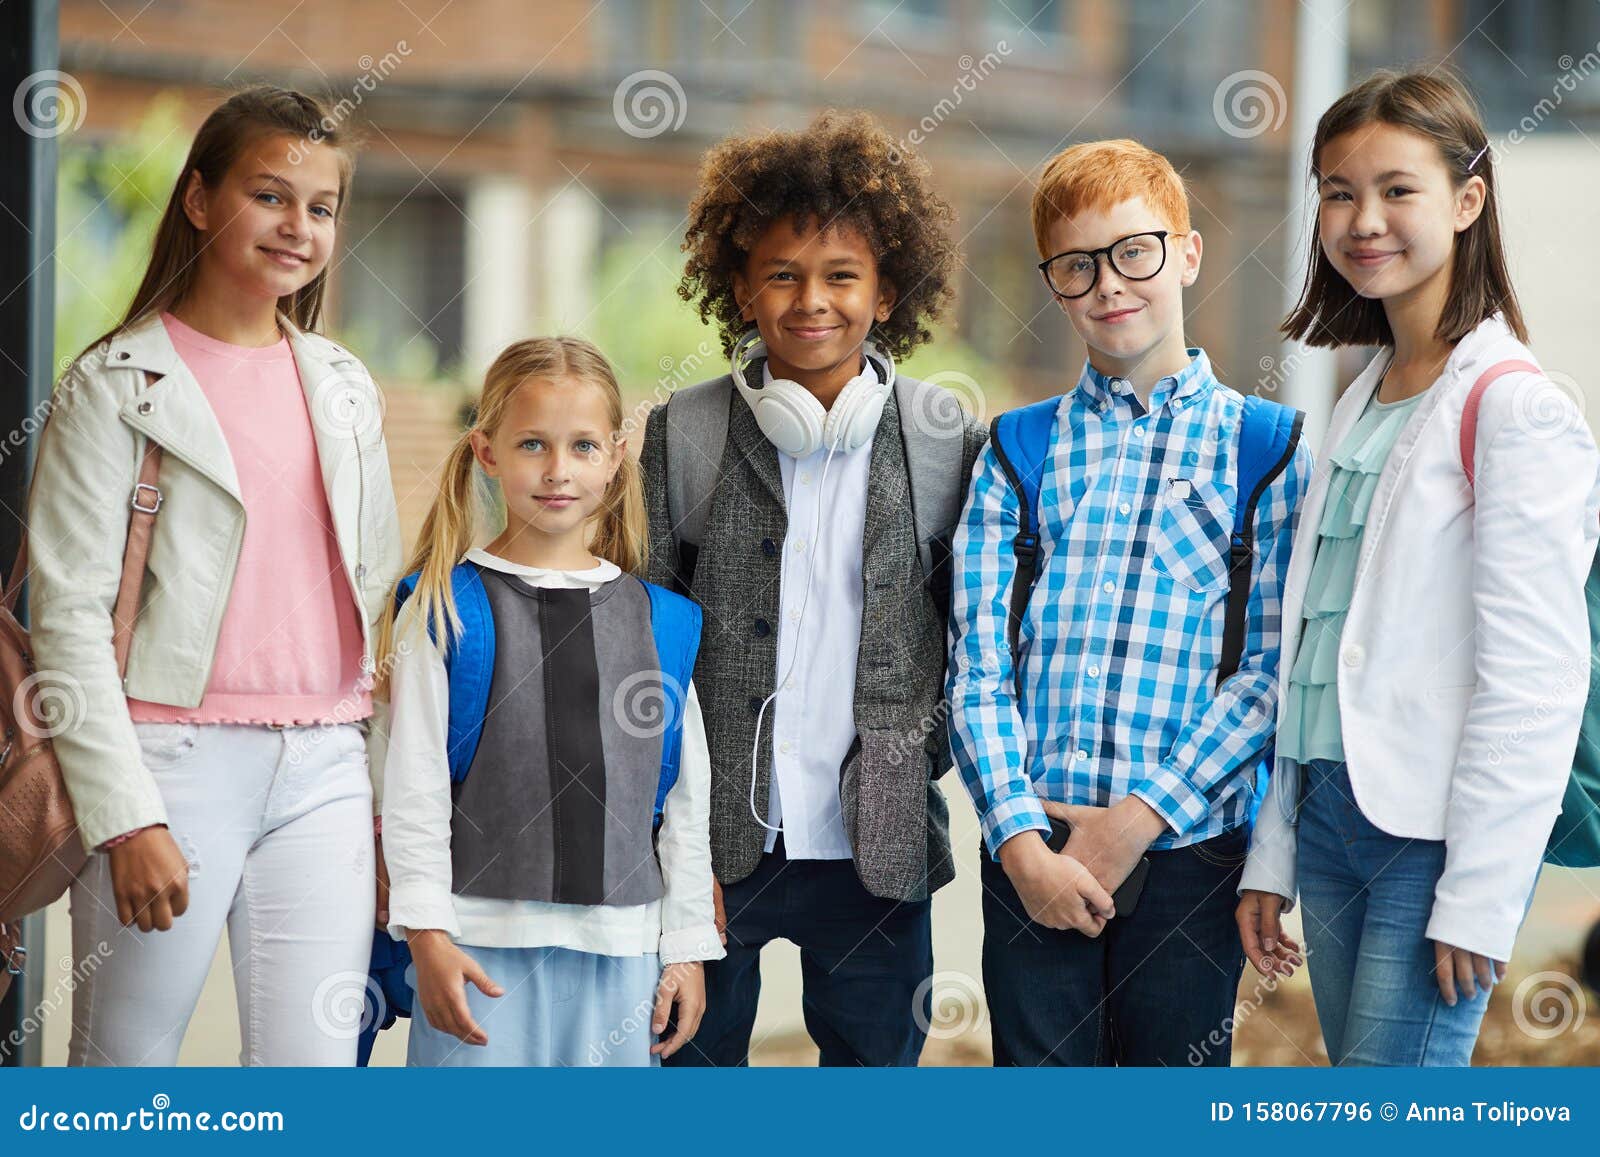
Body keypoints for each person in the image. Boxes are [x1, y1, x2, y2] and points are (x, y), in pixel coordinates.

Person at [27, 86, 402, 1065]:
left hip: (325, 764)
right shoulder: (111, 384)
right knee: (124, 1068)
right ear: (198, 199)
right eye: (270, 196)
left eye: (320, 207)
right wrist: (126, 813)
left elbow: (376, 594)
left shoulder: (345, 382)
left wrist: (385, 800)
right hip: (169, 763)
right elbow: (65, 613)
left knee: (313, 1078)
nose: (299, 226)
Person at [1237, 69, 1600, 1066]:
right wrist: (1273, 849)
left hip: (1431, 839)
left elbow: (1535, 674)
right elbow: (1306, 641)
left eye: (1397, 189)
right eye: (1338, 190)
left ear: (1467, 200)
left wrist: (1480, 896)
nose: (1362, 219)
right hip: (1328, 814)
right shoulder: (1363, 397)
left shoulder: (1515, 406)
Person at [948, 137, 1310, 1066]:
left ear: (1186, 253)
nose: (1110, 284)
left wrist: (1139, 818)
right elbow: (978, 666)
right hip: (1037, 849)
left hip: (1188, 852)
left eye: (1134, 252)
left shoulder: (1264, 449)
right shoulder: (1017, 452)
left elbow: (1270, 672)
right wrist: (1021, 842)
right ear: (1055, 283)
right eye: (1078, 265)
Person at [641, 110, 986, 1066]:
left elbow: (979, 630)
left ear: (886, 293)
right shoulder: (687, 432)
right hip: (714, 849)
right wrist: (657, 835)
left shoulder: (943, 438)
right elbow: (647, 643)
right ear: (741, 289)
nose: (810, 300)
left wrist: (921, 756)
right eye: (782, 274)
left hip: (877, 851)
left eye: (841, 275)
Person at [380, 337, 722, 1066]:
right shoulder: (444, 606)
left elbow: (685, 804)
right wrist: (427, 935)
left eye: (583, 445)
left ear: (616, 455)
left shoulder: (661, 621)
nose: (559, 469)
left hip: (623, 953)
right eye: (533, 443)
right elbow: (411, 790)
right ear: (487, 449)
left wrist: (686, 949)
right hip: (478, 949)